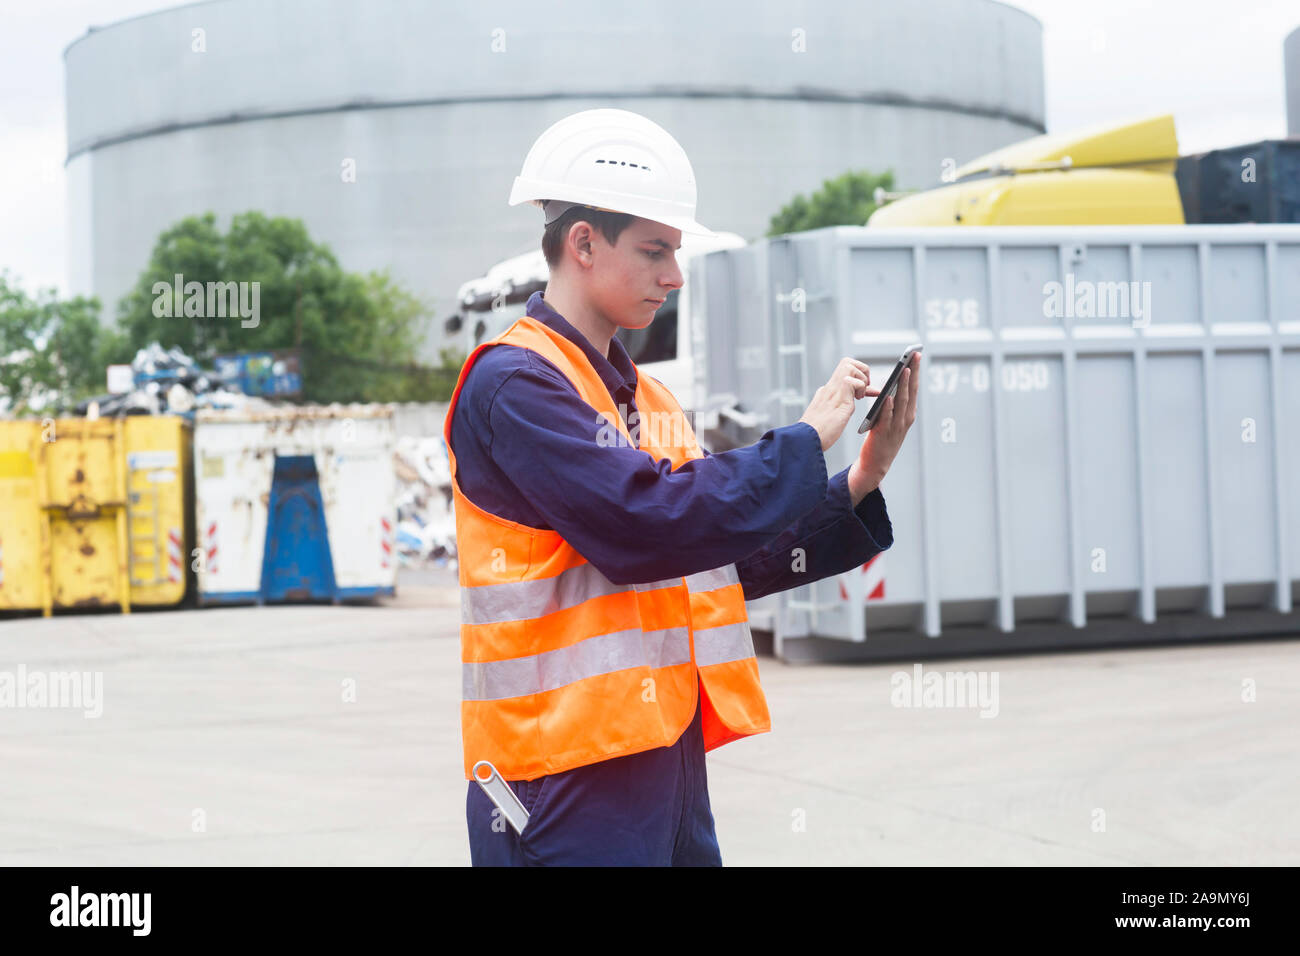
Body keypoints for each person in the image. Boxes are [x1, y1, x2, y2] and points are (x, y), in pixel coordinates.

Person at [444, 108, 919, 866]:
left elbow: (711, 558)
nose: (675, 274)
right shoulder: (515, 384)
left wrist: (860, 478)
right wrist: (802, 441)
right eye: (656, 250)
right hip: (558, 780)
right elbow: (647, 525)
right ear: (584, 244)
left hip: (662, 761)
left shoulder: (648, 402)